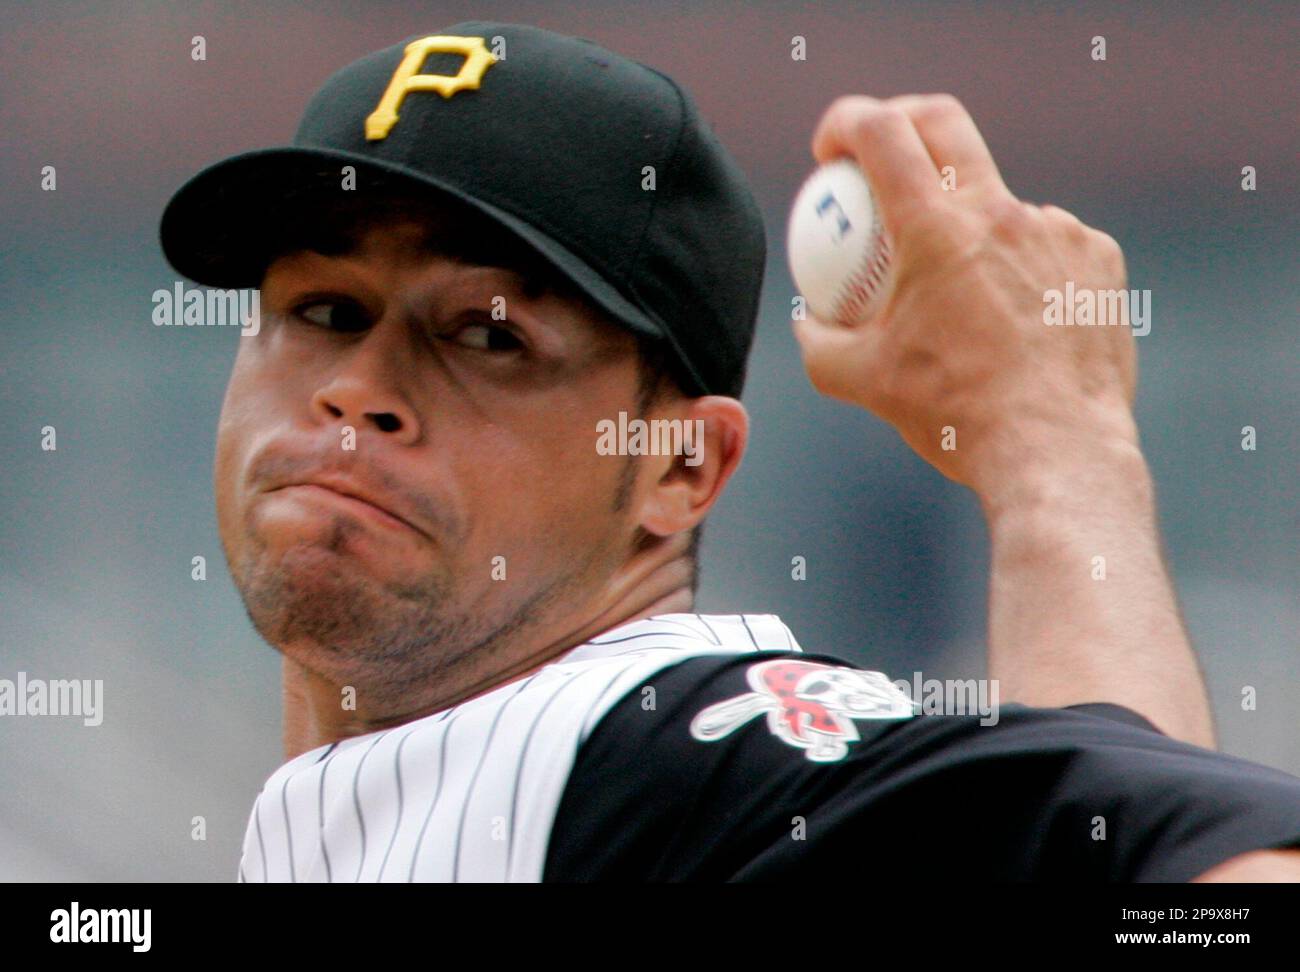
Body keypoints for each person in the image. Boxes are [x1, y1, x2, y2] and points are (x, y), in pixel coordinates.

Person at [159, 21, 1300, 882]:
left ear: (678, 469)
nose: (361, 390)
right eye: (323, 311)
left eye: (486, 334)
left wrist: (1060, 445)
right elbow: (1125, 832)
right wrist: (1053, 457)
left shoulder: (673, 758)